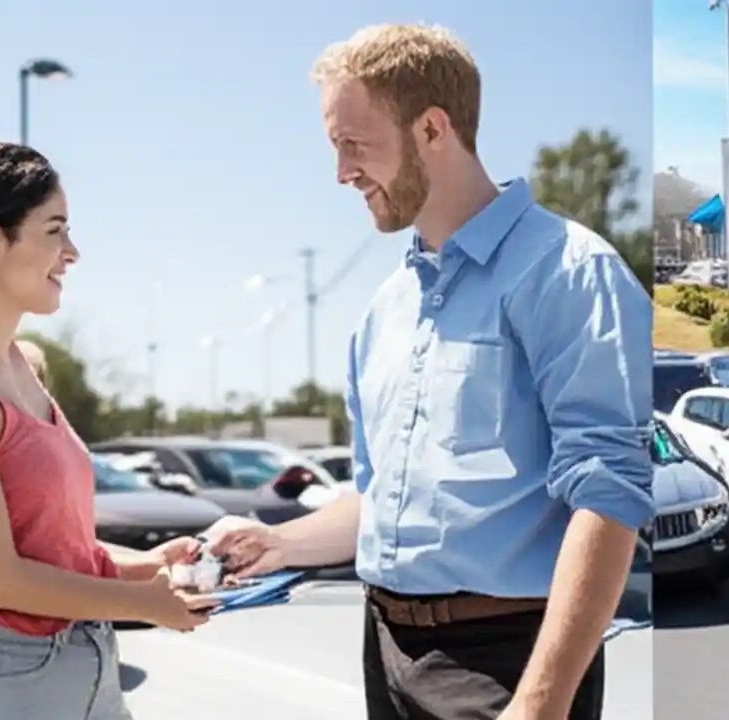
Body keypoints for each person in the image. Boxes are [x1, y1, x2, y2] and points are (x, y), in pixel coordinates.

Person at [200, 23, 654, 720]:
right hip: (384, 648)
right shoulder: (385, 311)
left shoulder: (569, 271)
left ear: (433, 129)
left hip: (508, 660)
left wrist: (539, 705)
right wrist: (282, 542)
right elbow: (379, 497)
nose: (342, 172)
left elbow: (610, 493)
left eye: (354, 144)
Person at [0, 142, 219, 720]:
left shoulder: (23, 366)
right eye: (54, 231)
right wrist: (143, 602)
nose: (72, 252)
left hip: (86, 664)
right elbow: (1, 578)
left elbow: (54, 548)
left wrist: (151, 563)